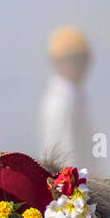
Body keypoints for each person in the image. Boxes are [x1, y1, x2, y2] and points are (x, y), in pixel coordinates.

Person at [39, 27, 95, 169]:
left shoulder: (76, 98)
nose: (80, 66)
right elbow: (65, 156)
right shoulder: (58, 101)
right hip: (71, 186)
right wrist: (77, 189)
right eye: (73, 59)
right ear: (58, 63)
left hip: (86, 183)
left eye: (83, 58)